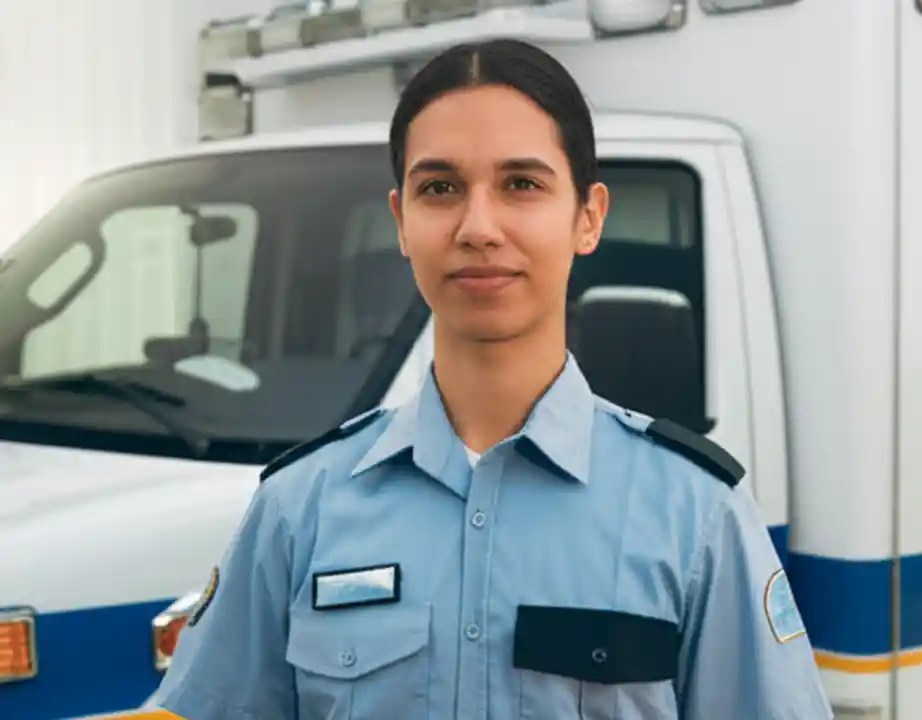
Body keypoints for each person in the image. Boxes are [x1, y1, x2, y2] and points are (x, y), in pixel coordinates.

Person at [150, 38, 833, 719]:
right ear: (403, 222)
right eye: (440, 188)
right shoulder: (300, 511)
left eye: (522, 184)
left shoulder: (696, 516)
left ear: (588, 217)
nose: (478, 226)